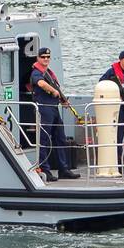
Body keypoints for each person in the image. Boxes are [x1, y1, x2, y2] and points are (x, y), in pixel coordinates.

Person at [30, 48, 79, 182]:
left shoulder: (49, 73)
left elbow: (54, 86)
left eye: (48, 57)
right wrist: (53, 91)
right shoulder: (36, 72)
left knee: (60, 138)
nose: (46, 59)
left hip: (54, 109)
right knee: (44, 140)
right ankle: (45, 170)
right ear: (38, 58)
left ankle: (64, 169)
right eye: (43, 57)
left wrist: (62, 99)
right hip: (44, 109)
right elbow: (40, 83)